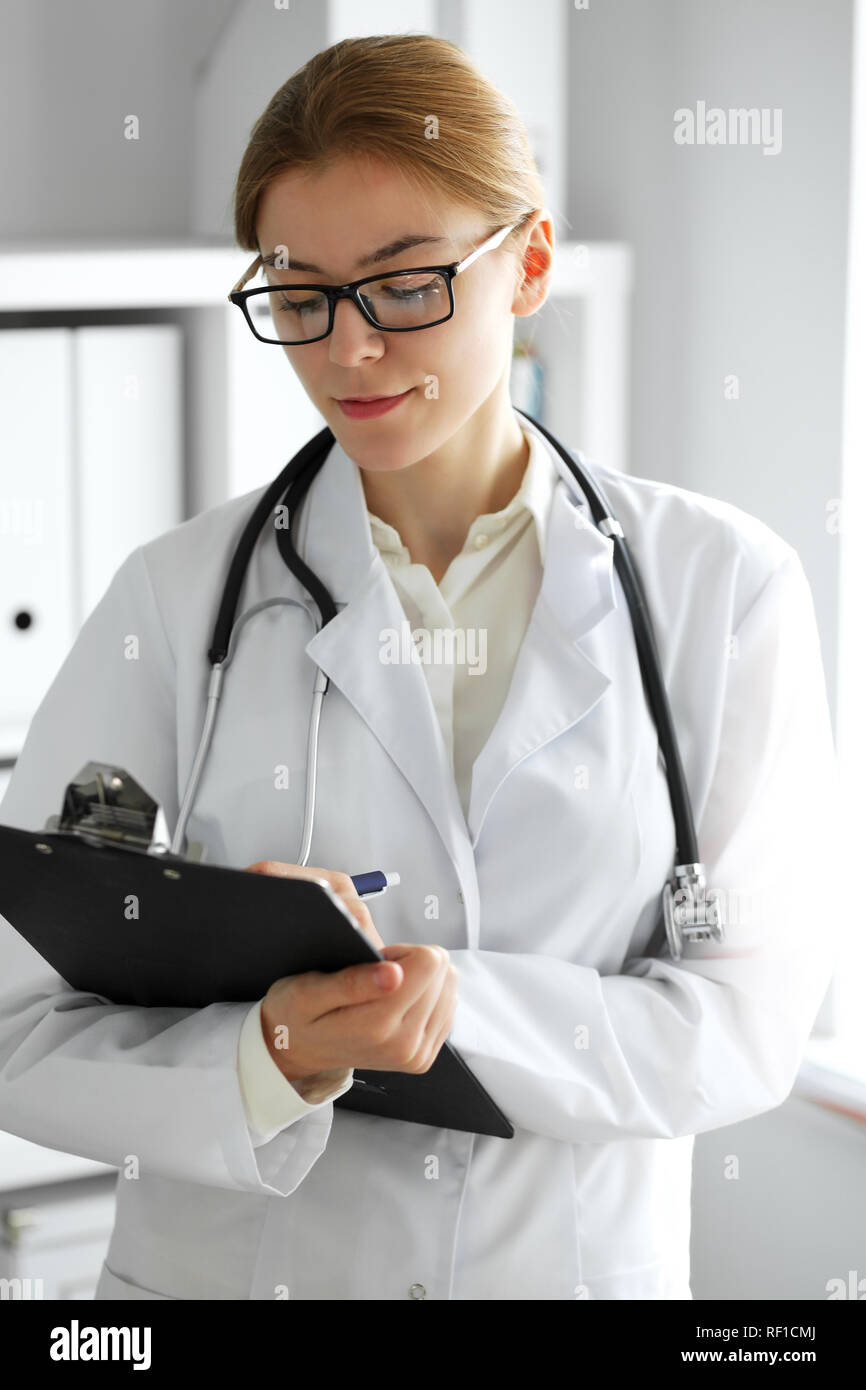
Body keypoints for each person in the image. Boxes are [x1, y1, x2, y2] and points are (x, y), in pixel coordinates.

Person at [0, 33, 841, 1301]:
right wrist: (265, 1058)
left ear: (529, 262)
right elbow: (18, 1016)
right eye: (300, 295)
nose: (347, 351)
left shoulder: (720, 587)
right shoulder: (177, 599)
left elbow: (747, 1022)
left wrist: (456, 1009)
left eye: (403, 287)